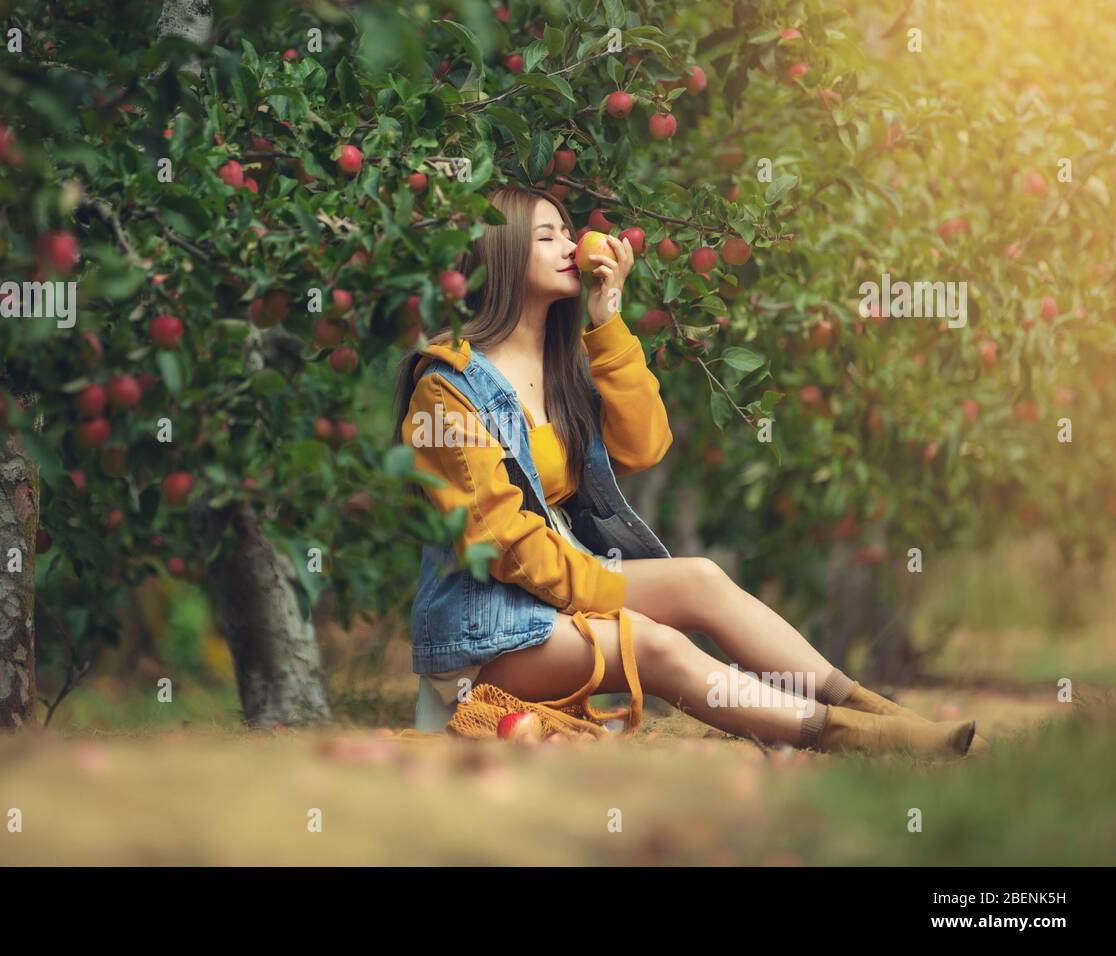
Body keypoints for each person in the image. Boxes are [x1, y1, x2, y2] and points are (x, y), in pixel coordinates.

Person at [391, 185, 985, 758]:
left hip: (556, 601)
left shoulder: (563, 367)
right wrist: (609, 595)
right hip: (485, 637)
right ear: (500, 253)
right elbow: (504, 542)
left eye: (569, 232)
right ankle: (849, 737)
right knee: (651, 642)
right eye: (548, 237)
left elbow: (645, 444)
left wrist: (607, 321)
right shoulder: (448, 387)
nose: (573, 246)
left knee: (700, 578)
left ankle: (879, 714)